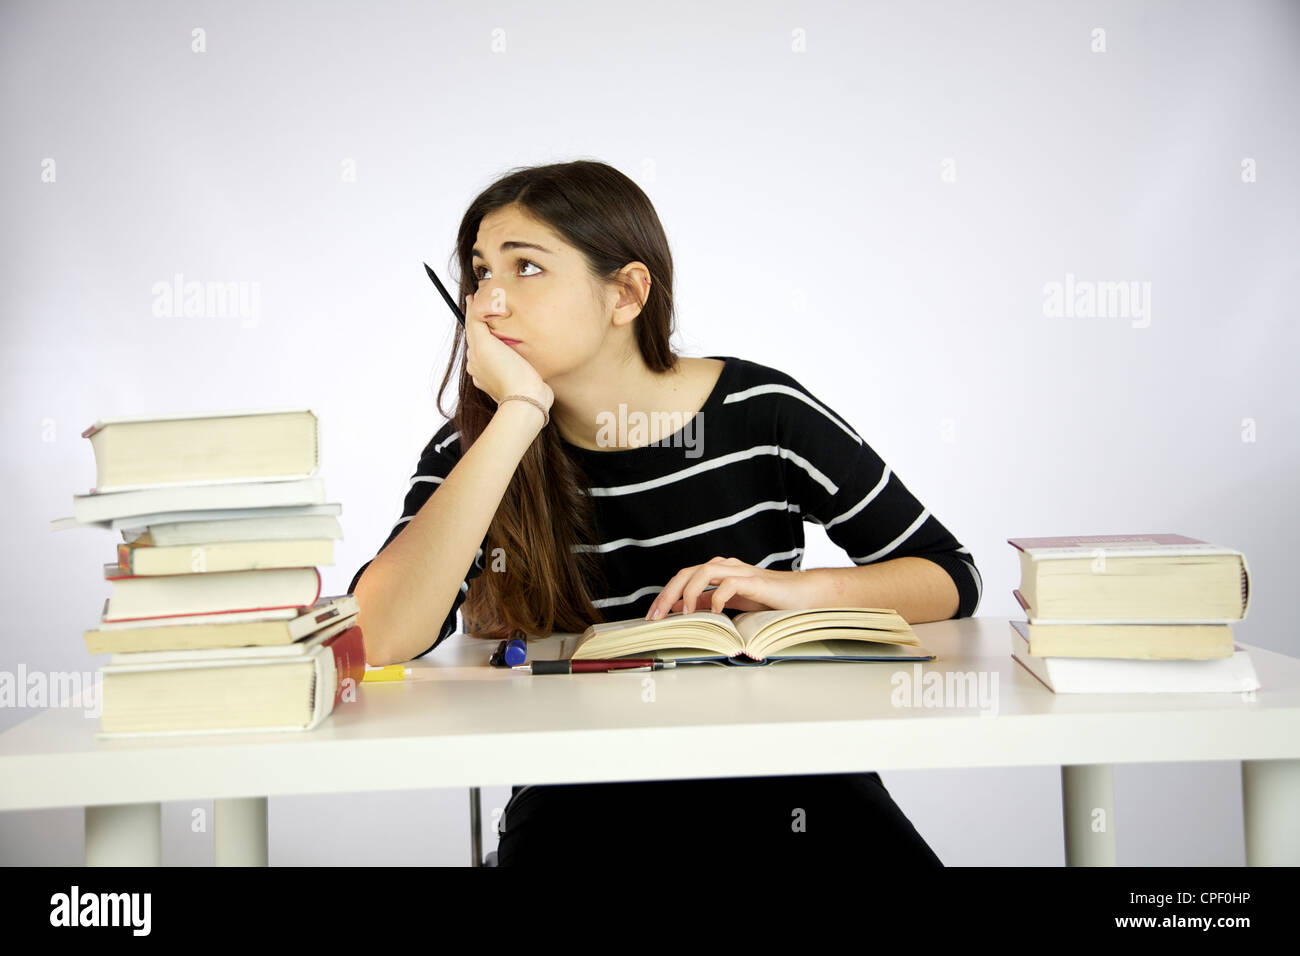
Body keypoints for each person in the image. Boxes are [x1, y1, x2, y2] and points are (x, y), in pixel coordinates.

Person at [348, 160, 981, 866]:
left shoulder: (761, 412)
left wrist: (796, 594)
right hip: (584, 793)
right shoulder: (479, 449)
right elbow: (372, 637)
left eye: (525, 268)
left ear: (626, 293)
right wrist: (519, 413)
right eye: (479, 274)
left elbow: (952, 576)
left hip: (787, 775)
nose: (489, 303)